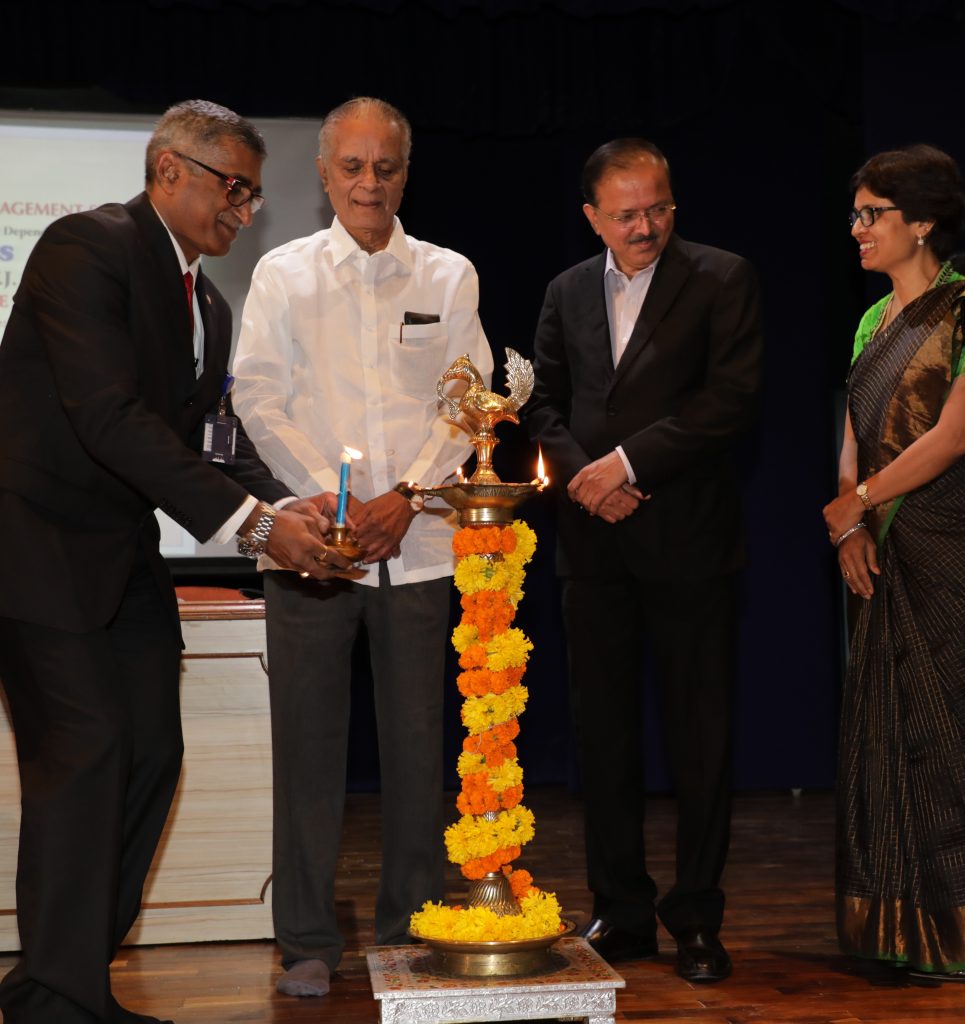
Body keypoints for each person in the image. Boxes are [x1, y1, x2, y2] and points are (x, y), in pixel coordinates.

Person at [0, 100, 351, 1024]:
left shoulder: (210, 304)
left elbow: (205, 441)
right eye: (233, 188)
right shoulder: (88, 248)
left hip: (119, 560)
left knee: (152, 751)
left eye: (253, 195)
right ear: (168, 171)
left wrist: (287, 504)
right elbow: (107, 417)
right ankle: (61, 999)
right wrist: (256, 528)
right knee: (86, 755)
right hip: (36, 551)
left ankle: (61, 983)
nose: (245, 210)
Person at [231, 96, 493, 998]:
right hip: (310, 544)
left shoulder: (449, 276)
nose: (369, 183)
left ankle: (409, 928)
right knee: (308, 747)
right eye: (352, 166)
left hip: (417, 545)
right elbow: (255, 396)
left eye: (385, 167)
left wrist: (403, 498)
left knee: (418, 745)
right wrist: (337, 506)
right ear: (324, 173)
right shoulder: (282, 274)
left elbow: (471, 401)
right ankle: (307, 939)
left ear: (406, 173)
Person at [527, 138, 762, 983]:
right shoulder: (565, 290)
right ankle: (621, 911)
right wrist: (589, 484)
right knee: (604, 739)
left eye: (658, 207)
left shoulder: (722, 277)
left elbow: (730, 400)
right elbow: (541, 403)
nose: (646, 226)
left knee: (701, 739)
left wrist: (625, 466)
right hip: (594, 549)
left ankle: (696, 918)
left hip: (690, 542)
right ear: (592, 216)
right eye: (627, 213)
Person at [824, 143, 965, 978]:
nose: (857, 229)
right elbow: (853, 431)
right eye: (856, 214)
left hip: (950, 548)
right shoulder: (873, 320)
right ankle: (895, 931)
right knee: (887, 734)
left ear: (922, 222)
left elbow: (956, 435)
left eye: (872, 214)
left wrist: (863, 499)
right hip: (879, 551)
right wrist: (850, 525)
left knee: (952, 734)